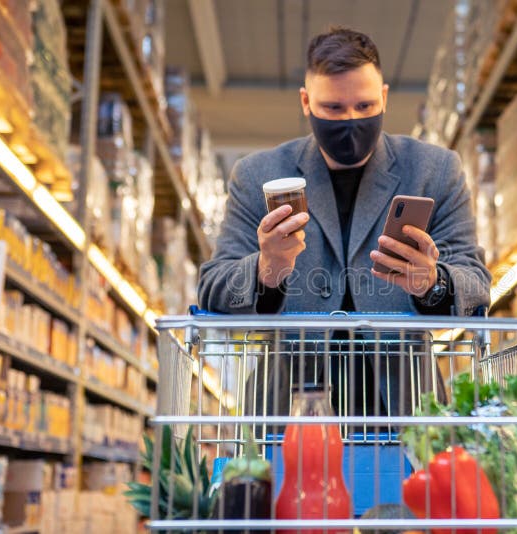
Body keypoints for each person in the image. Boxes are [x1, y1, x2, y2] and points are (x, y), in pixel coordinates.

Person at [198, 27, 490, 418]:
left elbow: (476, 284)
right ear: (306, 102)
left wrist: (432, 282)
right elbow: (212, 287)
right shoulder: (257, 176)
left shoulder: (435, 171)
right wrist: (266, 270)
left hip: (406, 412)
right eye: (333, 109)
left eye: (365, 107)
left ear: (384, 97)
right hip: (286, 414)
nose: (350, 121)